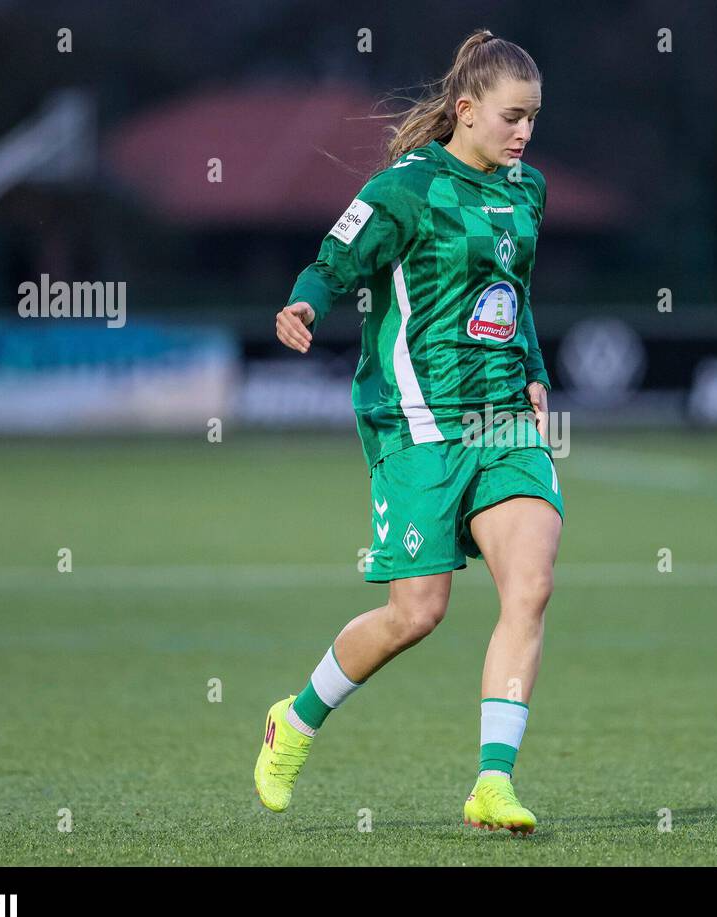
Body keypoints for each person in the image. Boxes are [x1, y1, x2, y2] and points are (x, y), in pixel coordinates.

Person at [254, 28, 562, 835]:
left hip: (504, 420)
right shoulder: (407, 188)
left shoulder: (525, 189)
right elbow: (335, 259)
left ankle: (493, 783)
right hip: (417, 423)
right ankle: (295, 720)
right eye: (512, 117)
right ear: (466, 110)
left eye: (533, 118)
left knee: (530, 587)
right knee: (415, 613)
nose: (525, 133)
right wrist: (304, 304)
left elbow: (516, 290)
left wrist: (531, 364)